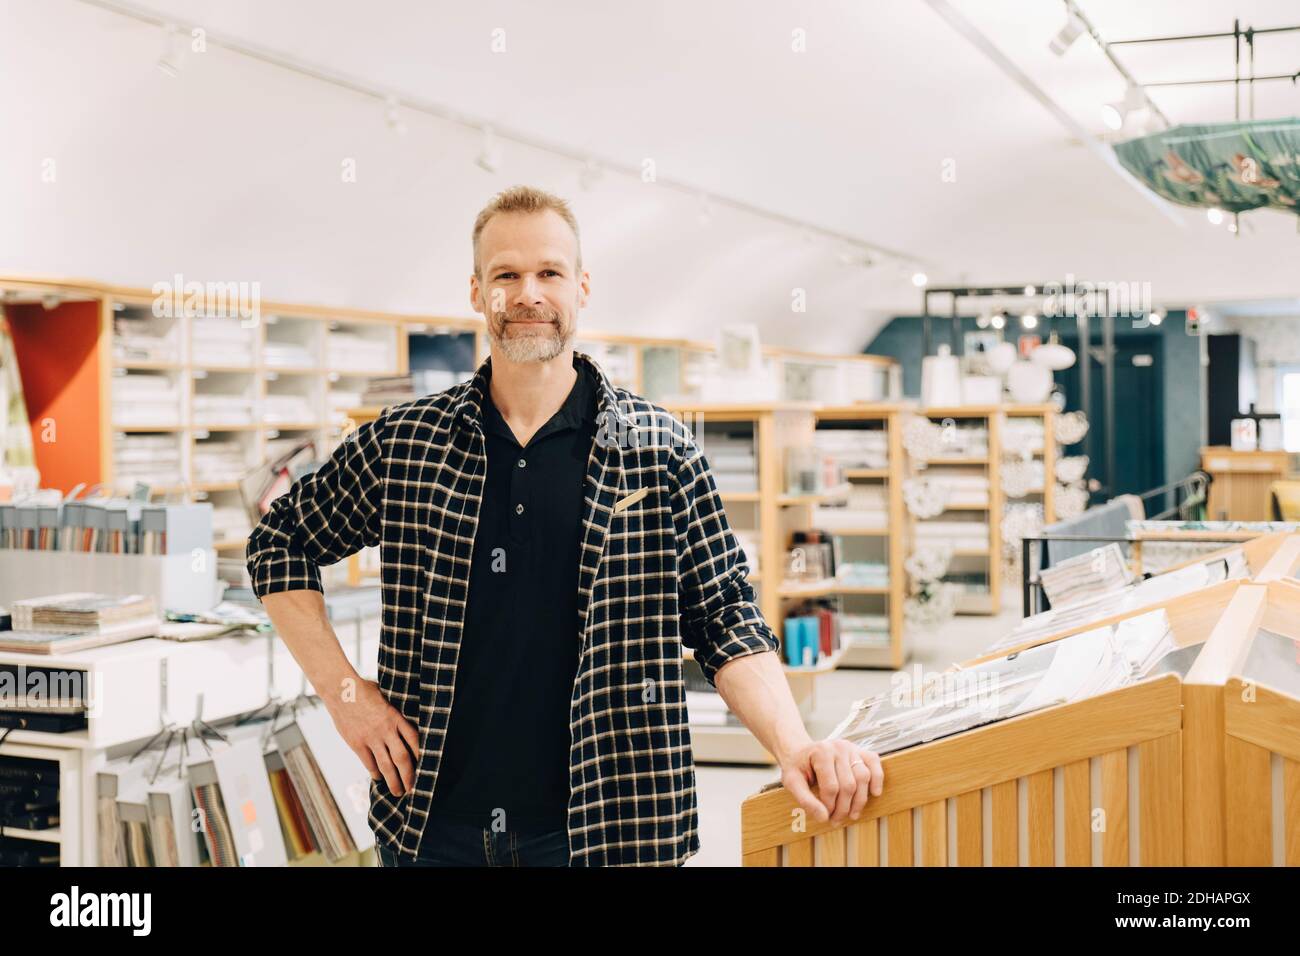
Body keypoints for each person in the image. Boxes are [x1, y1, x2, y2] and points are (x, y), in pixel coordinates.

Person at [246, 185, 884, 867]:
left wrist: (795, 746)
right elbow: (278, 542)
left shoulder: (659, 450)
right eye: (506, 275)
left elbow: (725, 615)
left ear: (581, 287)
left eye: (549, 273)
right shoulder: (407, 443)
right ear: (476, 292)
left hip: (612, 825)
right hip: (433, 825)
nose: (528, 294)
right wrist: (349, 699)